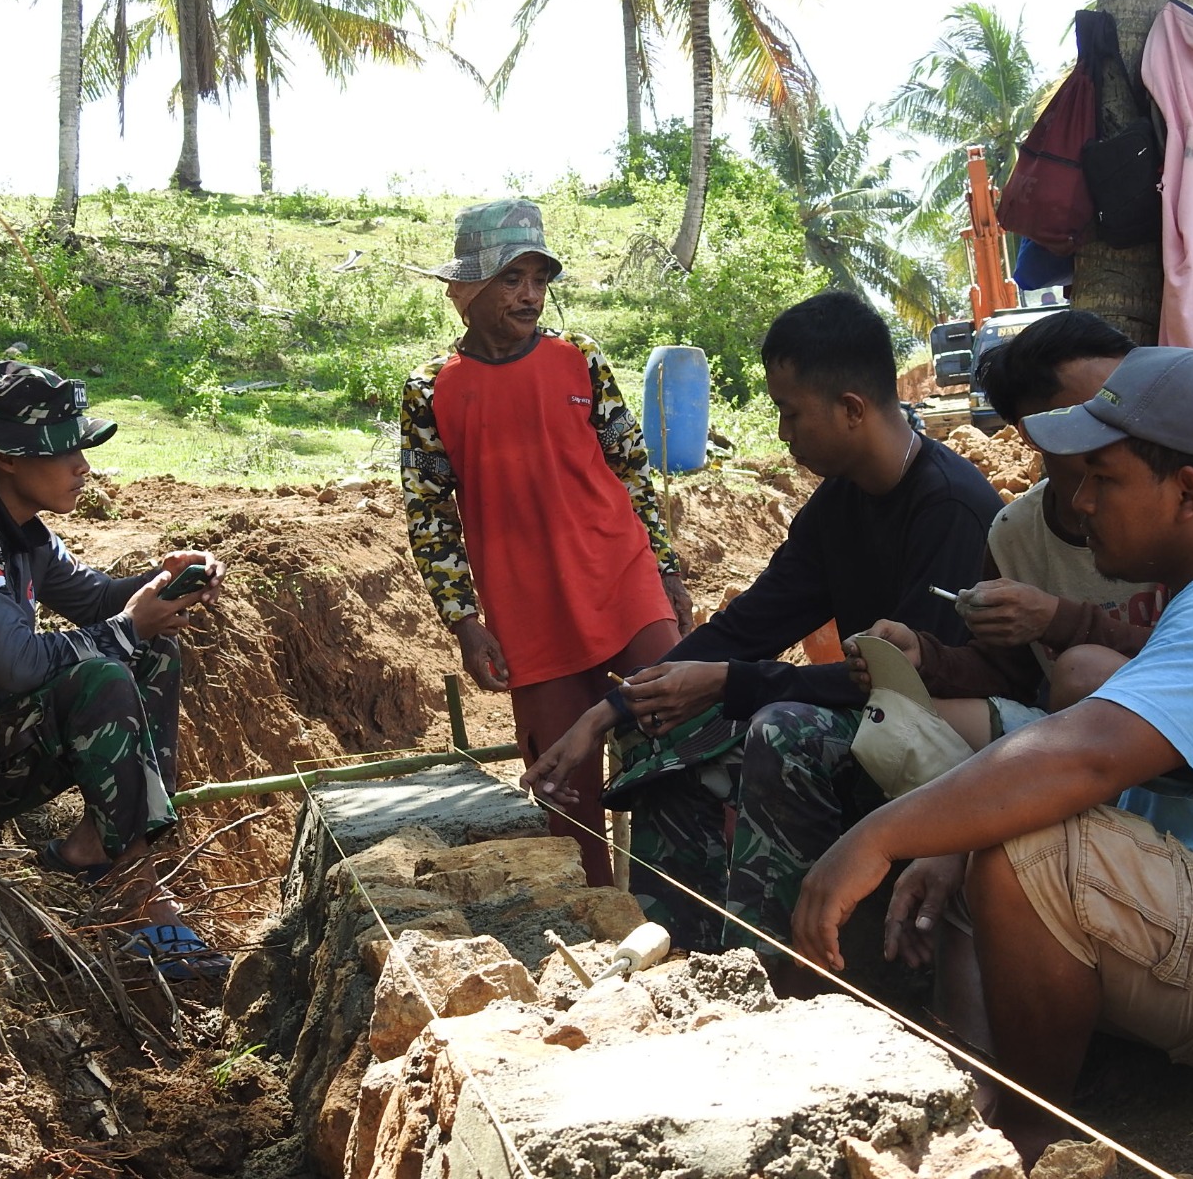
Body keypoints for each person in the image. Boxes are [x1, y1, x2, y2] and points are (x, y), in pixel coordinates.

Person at [792, 347, 1193, 1164]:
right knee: (993, 830)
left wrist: (882, 836)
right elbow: (1117, 773)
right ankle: (987, 1085)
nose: (1082, 502)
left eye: (1103, 478)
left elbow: (1083, 762)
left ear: (1187, 493)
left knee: (1036, 847)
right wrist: (951, 846)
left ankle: (1033, 1140)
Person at [523, 289, 1003, 954]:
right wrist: (612, 710)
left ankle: (772, 964)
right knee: (667, 720)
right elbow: (752, 623)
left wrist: (731, 681)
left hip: (947, 739)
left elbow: (905, 693)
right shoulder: (841, 503)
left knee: (783, 729)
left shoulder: (949, 508)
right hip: (875, 711)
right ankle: (681, 949)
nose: (782, 434)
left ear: (852, 410)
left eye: (790, 413)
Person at [0, 361, 228, 979]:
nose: (83, 465)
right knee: (104, 672)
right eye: (66, 450)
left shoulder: (22, 530)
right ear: (6, 457)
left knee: (152, 650)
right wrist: (130, 624)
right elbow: (18, 670)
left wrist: (163, 583)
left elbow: (95, 598)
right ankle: (135, 890)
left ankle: (99, 849)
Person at [401, 198, 691, 888]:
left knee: (685, 740)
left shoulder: (579, 360)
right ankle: (598, 930)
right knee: (566, 793)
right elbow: (429, 515)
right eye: (511, 278)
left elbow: (630, 469)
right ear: (464, 292)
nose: (530, 294)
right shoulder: (431, 391)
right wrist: (465, 624)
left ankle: (694, 914)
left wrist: (668, 572)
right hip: (528, 615)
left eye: (538, 278)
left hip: (622, 581)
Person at [851, 311, 1165, 757]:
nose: (1129, 426)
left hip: (1182, 728)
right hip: (1074, 737)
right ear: (1037, 433)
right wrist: (923, 657)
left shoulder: (1175, 508)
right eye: (1099, 411)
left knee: (1085, 672)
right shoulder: (1016, 533)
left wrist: (1057, 620)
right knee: (896, 729)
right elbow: (1008, 672)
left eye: (1133, 403)